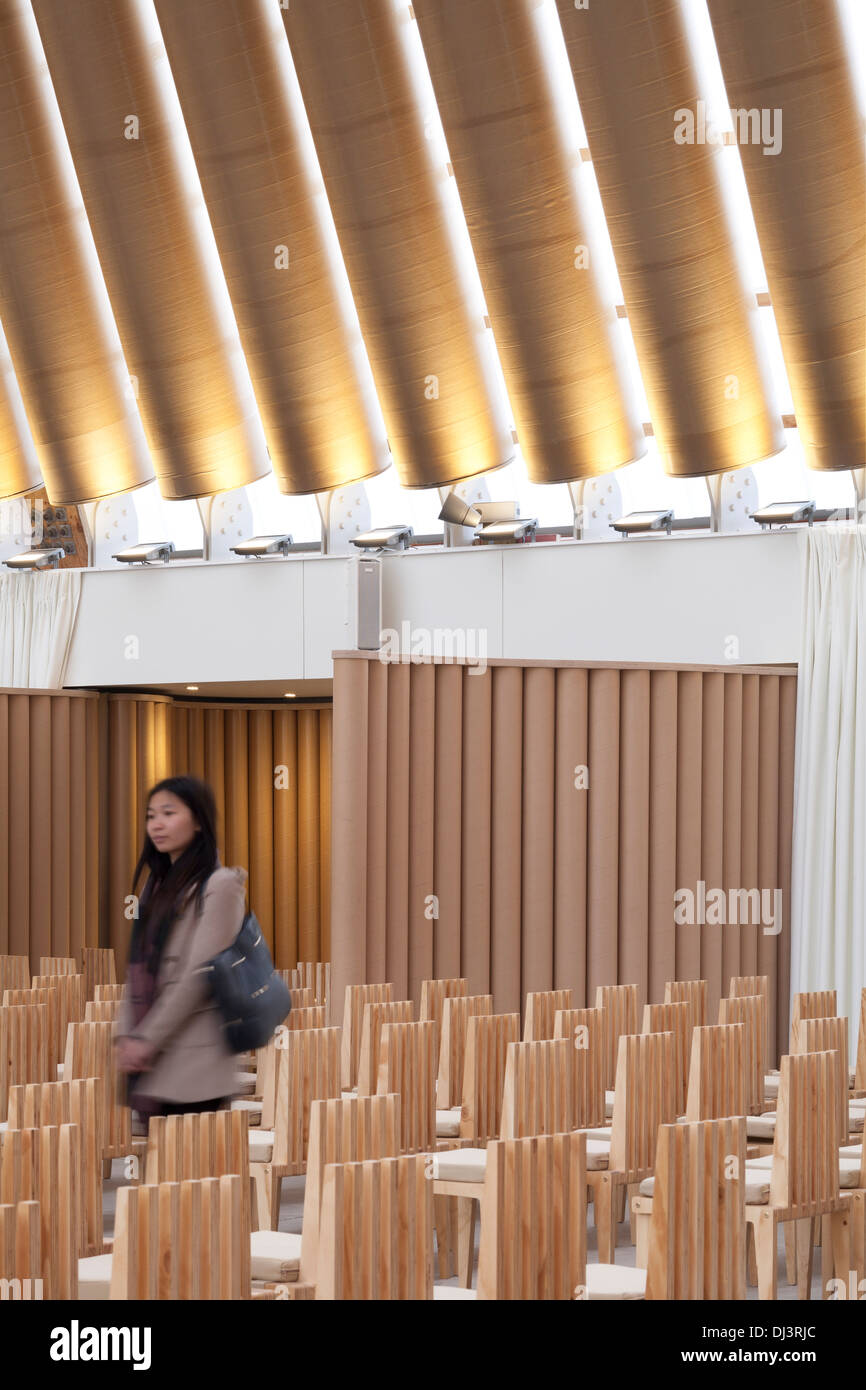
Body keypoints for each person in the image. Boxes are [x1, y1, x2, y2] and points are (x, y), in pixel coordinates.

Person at [115, 774, 248, 1123]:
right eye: (151, 815)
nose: (156, 824)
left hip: (196, 1066)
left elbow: (200, 974)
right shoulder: (156, 887)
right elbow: (138, 968)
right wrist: (126, 1035)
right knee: (160, 1172)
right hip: (154, 1063)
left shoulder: (221, 885)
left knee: (189, 1174)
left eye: (169, 813)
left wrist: (146, 1039)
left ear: (199, 821)